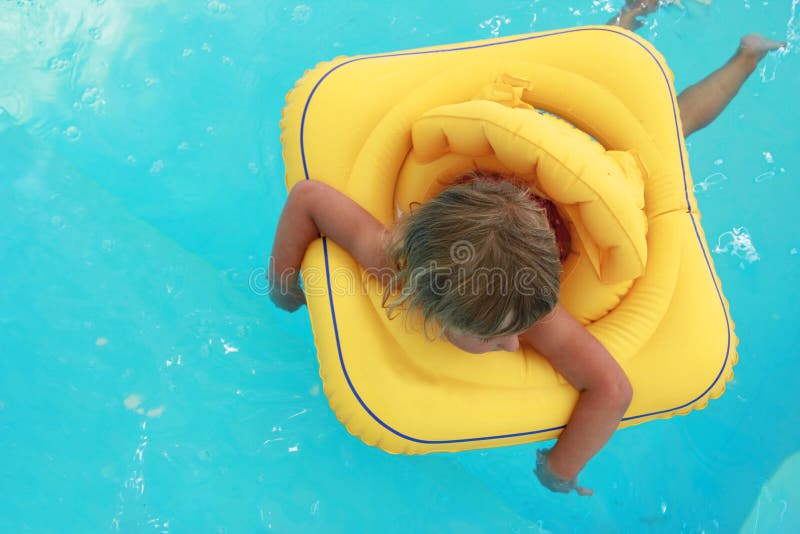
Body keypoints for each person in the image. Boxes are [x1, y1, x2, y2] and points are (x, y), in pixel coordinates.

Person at [268, 1, 785, 495]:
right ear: (423, 293)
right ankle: (632, 19)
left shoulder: (531, 308)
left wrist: (559, 467)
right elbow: (308, 198)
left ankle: (743, 53)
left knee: (674, 122)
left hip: (585, 177)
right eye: (496, 340)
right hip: (507, 182)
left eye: (506, 337)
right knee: (634, 96)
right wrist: (285, 286)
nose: (514, 347)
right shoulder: (392, 258)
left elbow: (611, 390)